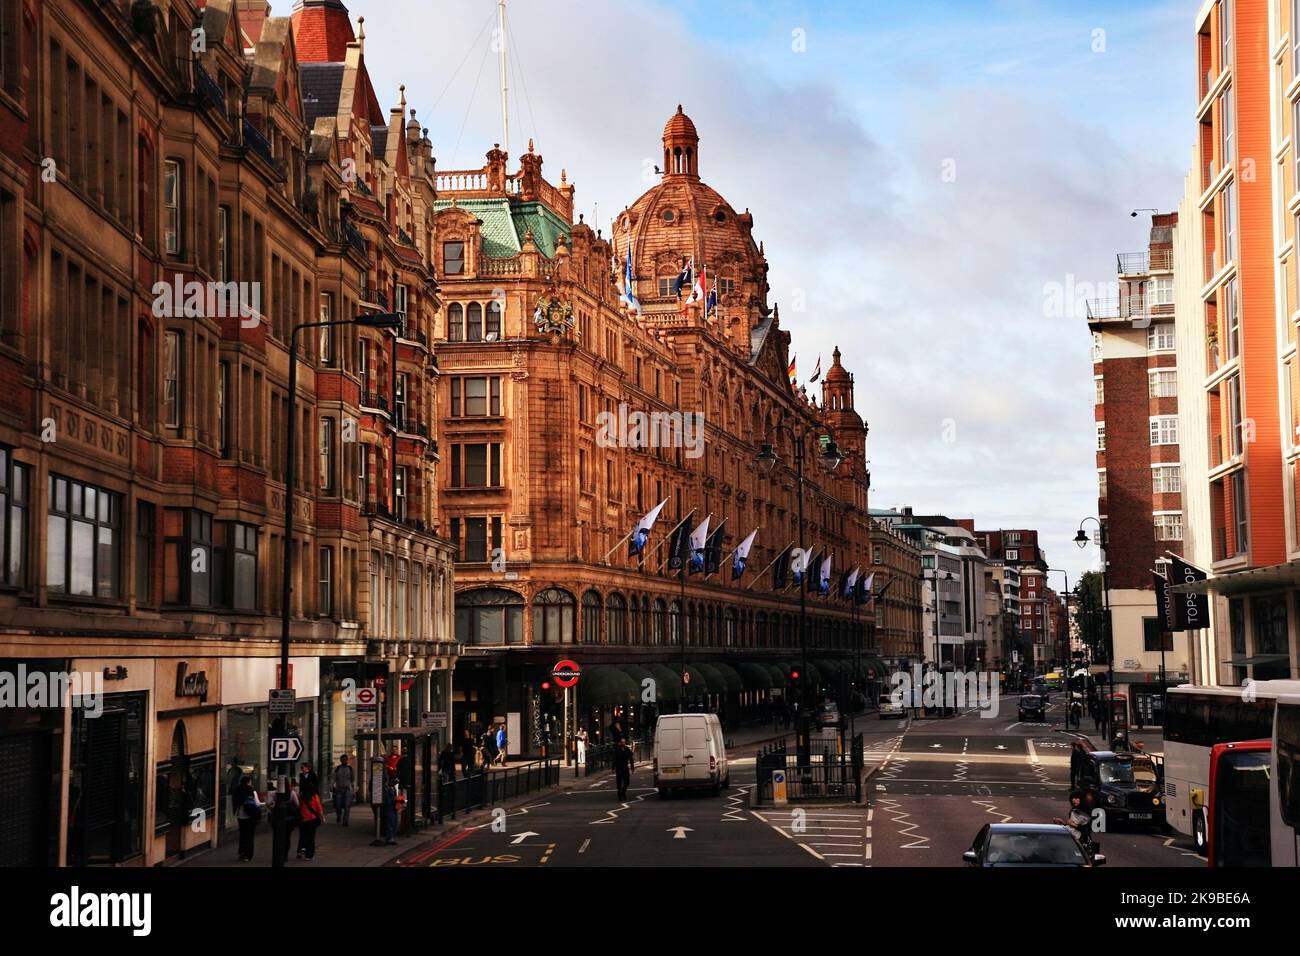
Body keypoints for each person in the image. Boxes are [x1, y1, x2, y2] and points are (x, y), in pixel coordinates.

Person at [1054, 790, 1095, 856]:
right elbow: (1072, 827)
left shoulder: (1085, 811)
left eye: (1076, 798)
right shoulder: (1074, 810)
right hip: (1072, 839)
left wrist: (1072, 824)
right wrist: (1063, 823)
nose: (1073, 800)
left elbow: (1085, 828)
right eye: (1072, 798)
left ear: (1081, 799)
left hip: (1081, 841)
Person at [233, 775, 263, 862]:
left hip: (241, 816)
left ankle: (241, 852)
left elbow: (235, 802)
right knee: (250, 836)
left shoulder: (237, 790)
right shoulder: (252, 791)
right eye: (250, 782)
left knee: (242, 835)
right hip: (250, 817)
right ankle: (248, 854)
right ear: (248, 782)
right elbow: (257, 803)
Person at [270, 780, 301, 865]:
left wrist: (274, 809)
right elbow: (298, 805)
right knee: (287, 838)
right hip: (289, 819)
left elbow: (269, 803)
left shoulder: (275, 793)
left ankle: (278, 854)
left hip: (277, 819)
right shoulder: (292, 793)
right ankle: (285, 855)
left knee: (277, 837)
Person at [297, 787, 324, 861]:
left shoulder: (301, 796)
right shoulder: (314, 796)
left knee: (303, 835)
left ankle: (301, 849)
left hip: (303, 819)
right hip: (312, 819)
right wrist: (322, 818)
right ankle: (309, 855)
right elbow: (319, 808)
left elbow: (298, 805)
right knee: (311, 838)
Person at [332, 753, 355, 826]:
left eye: (346, 760)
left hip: (348, 789)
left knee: (347, 806)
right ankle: (339, 815)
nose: (344, 761)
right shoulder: (337, 768)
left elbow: (353, 779)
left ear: (347, 760)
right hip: (339, 789)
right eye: (343, 760)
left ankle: (345, 821)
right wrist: (332, 786)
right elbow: (333, 779)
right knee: (338, 805)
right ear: (341, 760)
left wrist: (353, 790)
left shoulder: (350, 769)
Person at [381, 771, 401, 845]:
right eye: (394, 782)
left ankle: (392, 837)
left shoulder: (393, 789)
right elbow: (387, 800)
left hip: (394, 808)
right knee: (390, 823)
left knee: (394, 823)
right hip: (389, 808)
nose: (395, 783)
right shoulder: (386, 789)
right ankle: (389, 839)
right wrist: (396, 799)